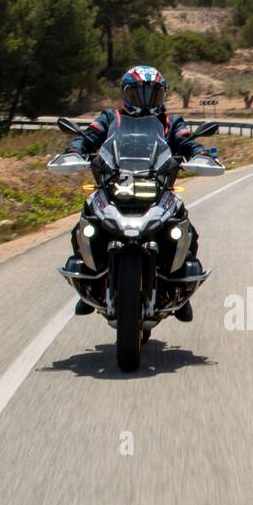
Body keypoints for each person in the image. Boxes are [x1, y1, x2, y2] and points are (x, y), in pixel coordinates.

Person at [65, 65, 213, 320]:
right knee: (84, 225)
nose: (145, 102)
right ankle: (87, 287)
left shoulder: (171, 122)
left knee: (186, 231)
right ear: (125, 94)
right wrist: (74, 150)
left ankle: (180, 293)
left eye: (151, 95)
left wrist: (199, 154)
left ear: (162, 96)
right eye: (137, 95)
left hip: (157, 187)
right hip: (115, 186)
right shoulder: (111, 119)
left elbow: (187, 142)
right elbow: (88, 137)